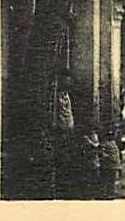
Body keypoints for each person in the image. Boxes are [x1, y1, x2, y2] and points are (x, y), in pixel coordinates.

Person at [52, 69, 77, 198]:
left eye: (69, 80)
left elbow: (69, 113)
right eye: (66, 79)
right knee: (60, 156)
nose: (69, 82)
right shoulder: (56, 95)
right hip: (59, 130)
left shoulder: (67, 95)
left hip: (68, 129)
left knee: (67, 156)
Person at [99, 127, 123, 199]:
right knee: (107, 179)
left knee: (112, 179)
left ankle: (111, 192)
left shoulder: (113, 143)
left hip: (114, 165)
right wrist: (107, 157)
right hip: (108, 165)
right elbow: (101, 153)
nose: (112, 137)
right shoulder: (105, 144)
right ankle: (105, 193)